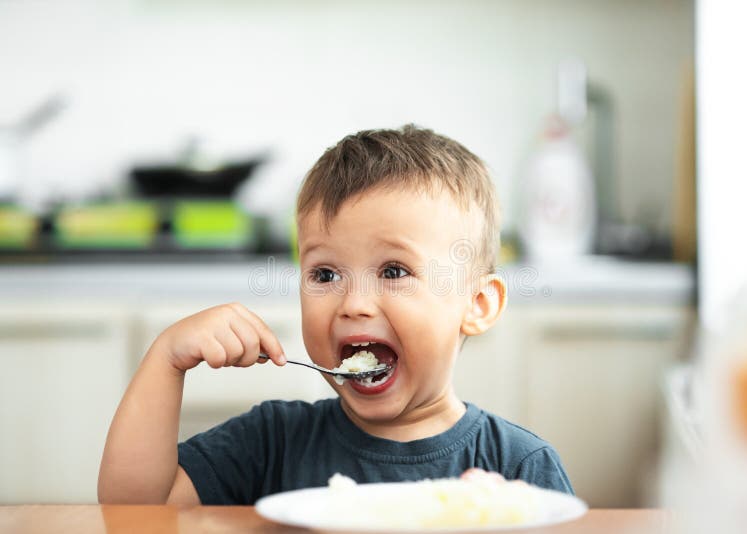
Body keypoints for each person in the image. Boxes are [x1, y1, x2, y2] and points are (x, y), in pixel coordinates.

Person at [97, 125, 573, 505]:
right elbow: (138, 508)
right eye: (325, 275)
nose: (353, 304)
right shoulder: (272, 444)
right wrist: (165, 360)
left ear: (477, 304)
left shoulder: (520, 469)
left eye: (393, 270)